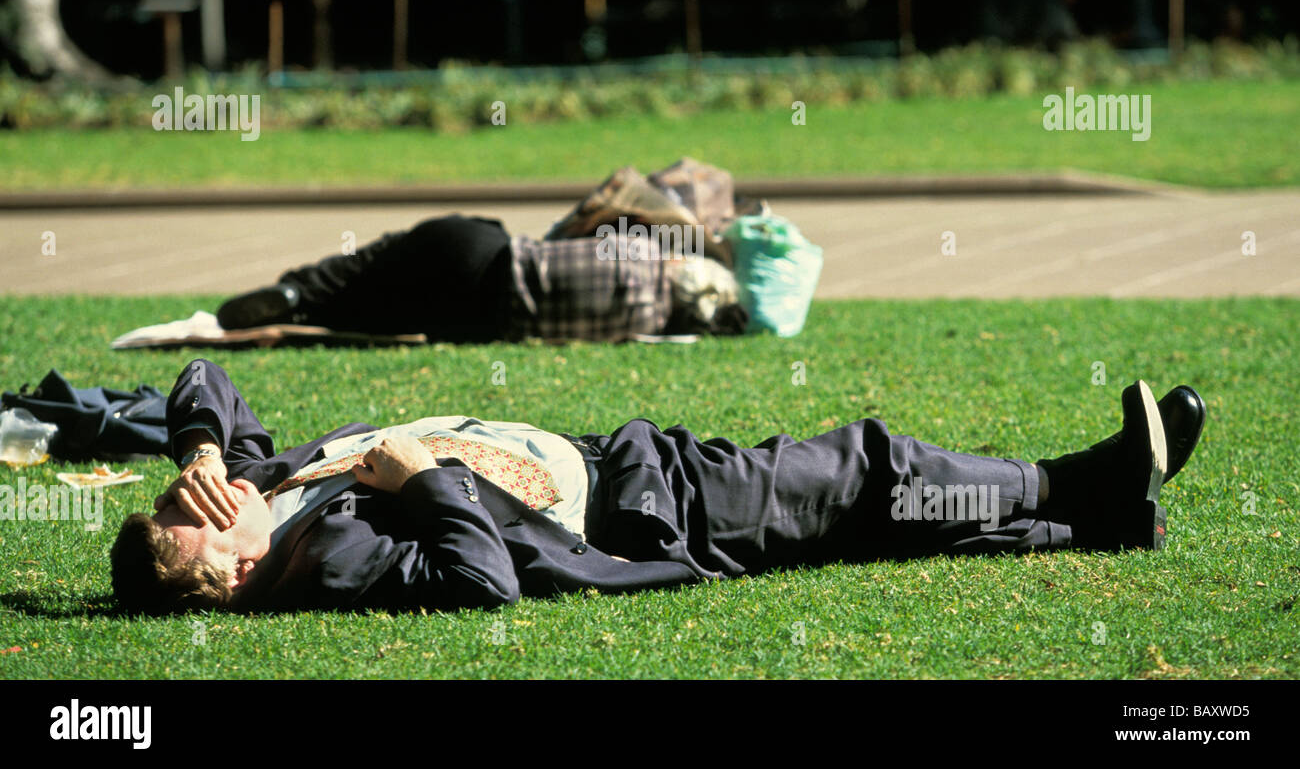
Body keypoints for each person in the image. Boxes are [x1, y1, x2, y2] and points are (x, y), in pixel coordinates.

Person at [109, 359, 1206, 614]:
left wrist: (201, 446)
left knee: (869, 521)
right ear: (237, 566)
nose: (209, 505)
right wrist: (425, 471)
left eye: (188, 502)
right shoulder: (323, 555)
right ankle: (1084, 480)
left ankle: (1090, 520)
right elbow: (480, 579)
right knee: (868, 472)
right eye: (204, 530)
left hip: (624, 451)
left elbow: (205, 378)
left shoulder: (259, 484)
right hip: (640, 510)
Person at [214, 214, 746, 344]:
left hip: (481, 248)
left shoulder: (641, 247)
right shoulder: (647, 325)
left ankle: (294, 290)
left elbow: (571, 231)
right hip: (477, 314)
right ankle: (311, 312)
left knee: (376, 259)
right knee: (374, 309)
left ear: (684, 266)